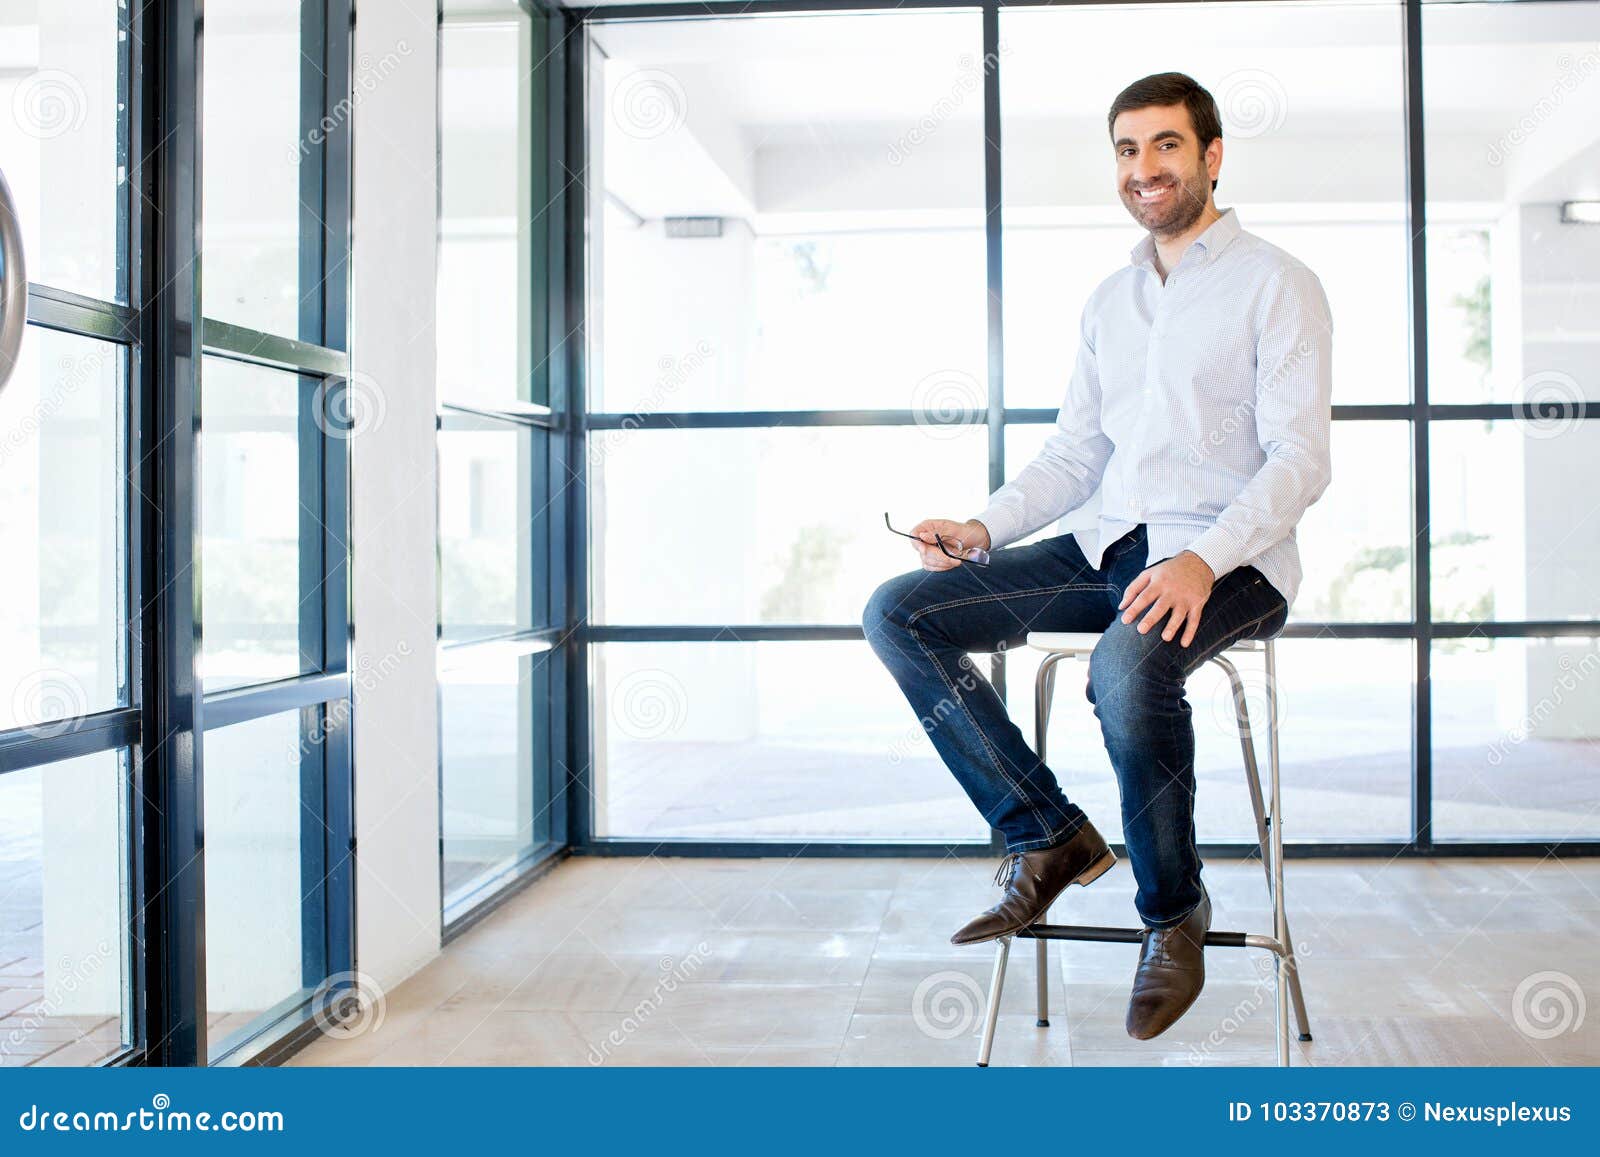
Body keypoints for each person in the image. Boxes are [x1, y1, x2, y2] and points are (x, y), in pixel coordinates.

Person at [863, 71, 1333, 1041]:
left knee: (1125, 665)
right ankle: (1046, 832)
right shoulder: (1110, 302)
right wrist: (984, 526)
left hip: (1228, 557)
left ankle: (1174, 914)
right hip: (1106, 544)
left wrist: (1202, 557)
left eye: (1165, 145)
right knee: (898, 608)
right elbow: (1077, 453)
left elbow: (1300, 458)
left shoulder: (1277, 283)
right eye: (1126, 149)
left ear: (1210, 157)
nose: (1143, 168)